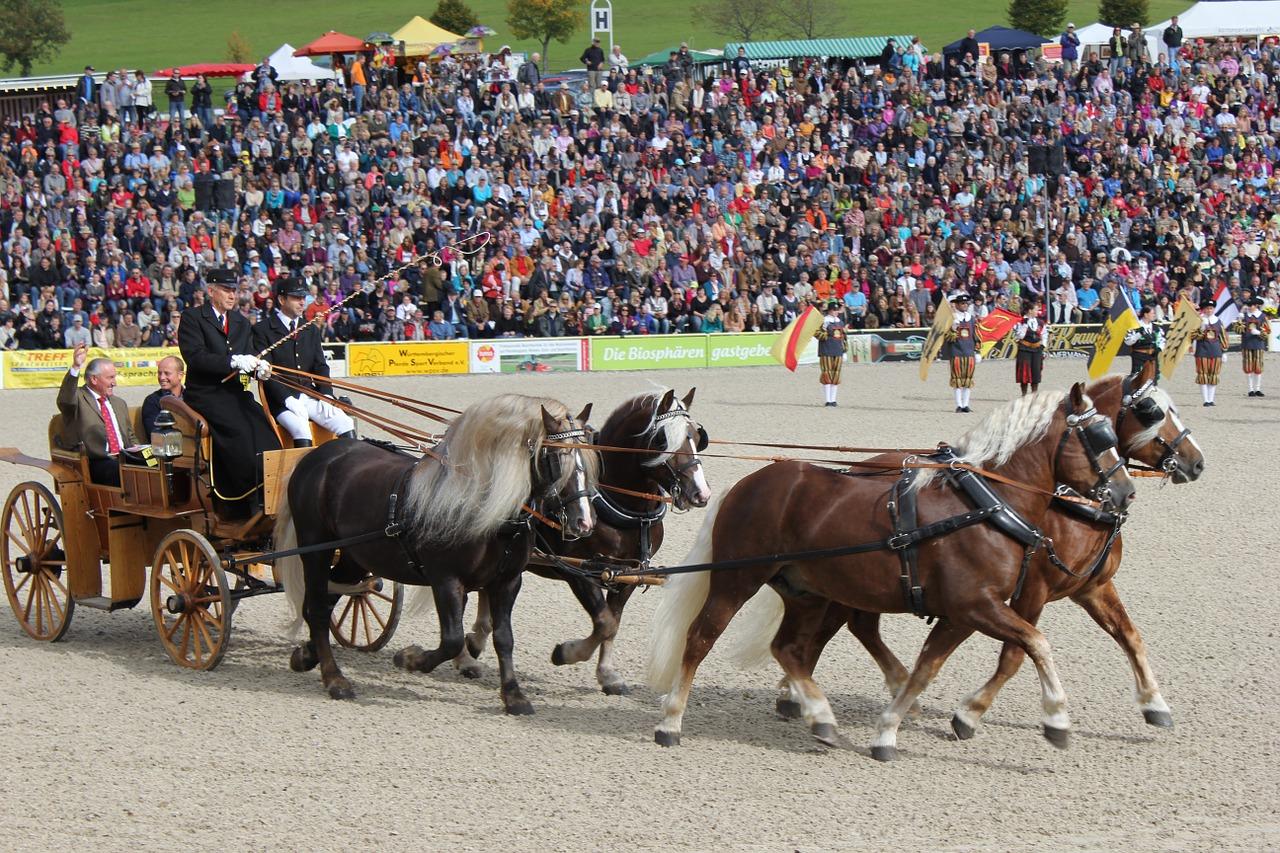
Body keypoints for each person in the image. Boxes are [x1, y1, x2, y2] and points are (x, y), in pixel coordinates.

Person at [178, 268, 281, 519]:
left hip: (235, 393)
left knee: (263, 428)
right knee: (239, 434)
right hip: (205, 394)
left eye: (234, 290)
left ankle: (270, 492)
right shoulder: (193, 318)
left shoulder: (240, 323)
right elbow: (195, 357)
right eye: (226, 290)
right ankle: (246, 496)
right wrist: (232, 362)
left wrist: (259, 368)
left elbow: (248, 357)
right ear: (210, 291)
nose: (232, 295)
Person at [252, 277, 355, 446]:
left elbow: (320, 365)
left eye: (303, 298)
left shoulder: (310, 329)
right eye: (296, 298)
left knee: (345, 423)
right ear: (282, 300)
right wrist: (286, 399)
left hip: (310, 395)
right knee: (301, 428)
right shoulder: (263, 330)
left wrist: (326, 394)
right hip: (281, 401)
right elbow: (266, 373)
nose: (302, 302)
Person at [57, 344, 137, 487]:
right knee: (120, 471)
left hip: (125, 457)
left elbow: (130, 436)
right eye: (110, 378)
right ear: (94, 379)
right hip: (96, 461)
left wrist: (143, 452)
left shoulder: (119, 403)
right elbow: (65, 399)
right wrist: (76, 367)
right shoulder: (78, 399)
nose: (115, 382)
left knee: (157, 464)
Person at [944, 292, 977, 413]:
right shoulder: (952, 319)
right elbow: (947, 338)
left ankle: (966, 404)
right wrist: (953, 329)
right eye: (962, 303)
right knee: (957, 379)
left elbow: (976, 335)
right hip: (956, 352)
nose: (964, 305)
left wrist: (977, 351)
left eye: (966, 303)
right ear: (957, 304)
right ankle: (959, 404)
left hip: (969, 352)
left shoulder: (971, 319)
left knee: (968, 379)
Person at [1192, 298, 1227, 407]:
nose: (1209, 310)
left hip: (1216, 351)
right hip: (1202, 351)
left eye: (1211, 308)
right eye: (1207, 308)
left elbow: (1223, 336)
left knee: (1213, 375)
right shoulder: (1199, 321)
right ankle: (1205, 400)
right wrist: (1201, 329)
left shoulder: (1219, 321)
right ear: (1204, 310)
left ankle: (1211, 399)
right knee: (1203, 375)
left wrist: (1224, 351)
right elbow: (1192, 336)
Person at [1234, 297, 1271, 397]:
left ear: (1256, 306)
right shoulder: (1244, 316)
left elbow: (1268, 331)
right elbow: (1237, 330)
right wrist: (1239, 321)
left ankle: (1257, 388)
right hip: (1247, 344)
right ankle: (1250, 389)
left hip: (1258, 343)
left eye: (1252, 305)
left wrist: (1259, 332)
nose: (1250, 307)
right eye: (1249, 305)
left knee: (1258, 366)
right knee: (1248, 366)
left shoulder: (1262, 316)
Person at [814, 300, 848, 407]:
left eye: (837, 310)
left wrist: (845, 349)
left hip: (838, 350)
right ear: (829, 311)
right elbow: (817, 334)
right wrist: (825, 333)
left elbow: (843, 336)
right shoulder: (823, 321)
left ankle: (833, 399)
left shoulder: (840, 322)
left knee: (836, 374)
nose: (836, 312)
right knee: (827, 373)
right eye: (834, 310)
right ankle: (828, 399)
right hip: (827, 350)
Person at [141, 355, 185, 436]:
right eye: (159, 373)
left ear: (180, 375)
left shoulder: (191, 397)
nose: (162, 377)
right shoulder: (152, 401)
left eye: (167, 373)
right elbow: (154, 433)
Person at [1013, 297, 1047, 396]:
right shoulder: (1021, 322)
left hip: (1037, 349)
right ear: (1030, 311)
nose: (1038, 311)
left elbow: (1044, 334)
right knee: (1024, 372)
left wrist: (1043, 346)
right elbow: (1019, 336)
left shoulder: (1040, 322)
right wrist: (1024, 326)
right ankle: (1024, 394)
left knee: (1036, 371)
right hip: (1024, 349)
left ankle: (1034, 394)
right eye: (1036, 309)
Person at [1124, 303, 1164, 382]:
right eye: (1152, 313)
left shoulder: (1156, 328)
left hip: (1152, 356)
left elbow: (1162, 340)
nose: (1154, 315)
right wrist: (1139, 334)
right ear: (1146, 314)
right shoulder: (1134, 327)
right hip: (1139, 357)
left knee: (1153, 379)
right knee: (1139, 379)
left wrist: (1159, 348)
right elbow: (1128, 342)